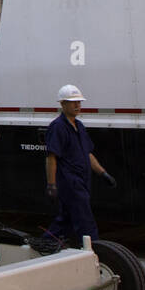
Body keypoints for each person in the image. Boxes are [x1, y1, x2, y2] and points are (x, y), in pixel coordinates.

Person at [45, 84, 117, 246]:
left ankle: (43, 245)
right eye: (73, 102)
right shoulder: (58, 127)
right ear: (63, 104)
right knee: (86, 222)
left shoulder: (80, 126)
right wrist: (51, 184)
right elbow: (51, 158)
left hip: (83, 181)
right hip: (70, 183)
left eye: (79, 102)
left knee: (65, 220)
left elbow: (88, 154)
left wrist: (103, 173)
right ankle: (96, 252)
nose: (77, 105)